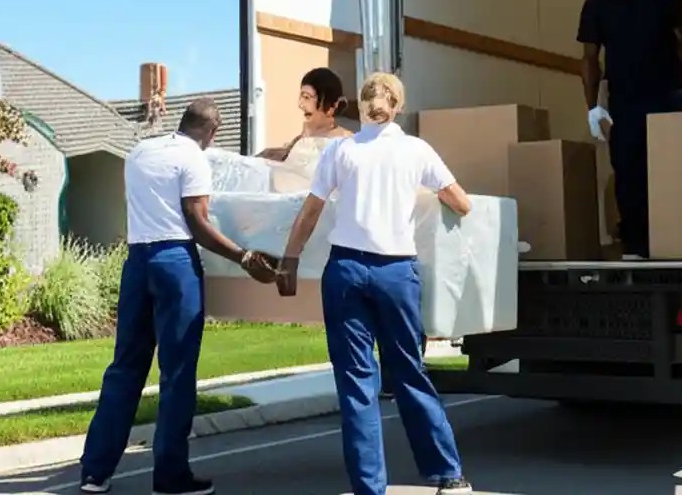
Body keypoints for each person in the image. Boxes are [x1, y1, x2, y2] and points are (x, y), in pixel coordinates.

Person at [276, 73, 475, 495]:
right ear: (397, 107)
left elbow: (310, 212)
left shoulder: (340, 151)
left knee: (356, 383)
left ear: (363, 108)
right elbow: (462, 202)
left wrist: (289, 260)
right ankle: (449, 475)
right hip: (395, 273)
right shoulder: (415, 150)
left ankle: (369, 488)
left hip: (345, 271)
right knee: (408, 372)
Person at [79, 98, 280, 495]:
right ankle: (170, 477)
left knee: (124, 369)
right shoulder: (193, 159)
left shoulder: (140, 152)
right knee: (176, 372)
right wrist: (244, 256)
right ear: (212, 131)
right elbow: (198, 221)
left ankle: (95, 473)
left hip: (137, 262)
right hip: (174, 264)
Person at [577, 0, 682, 259]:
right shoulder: (597, 4)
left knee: (671, 168)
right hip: (624, 102)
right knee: (628, 172)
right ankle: (637, 247)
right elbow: (589, 58)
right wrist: (592, 107)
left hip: (667, 95)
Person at [255, 66, 354, 164]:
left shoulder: (345, 142)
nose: (300, 105)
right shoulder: (301, 139)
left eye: (307, 97)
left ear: (332, 105)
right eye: (301, 97)